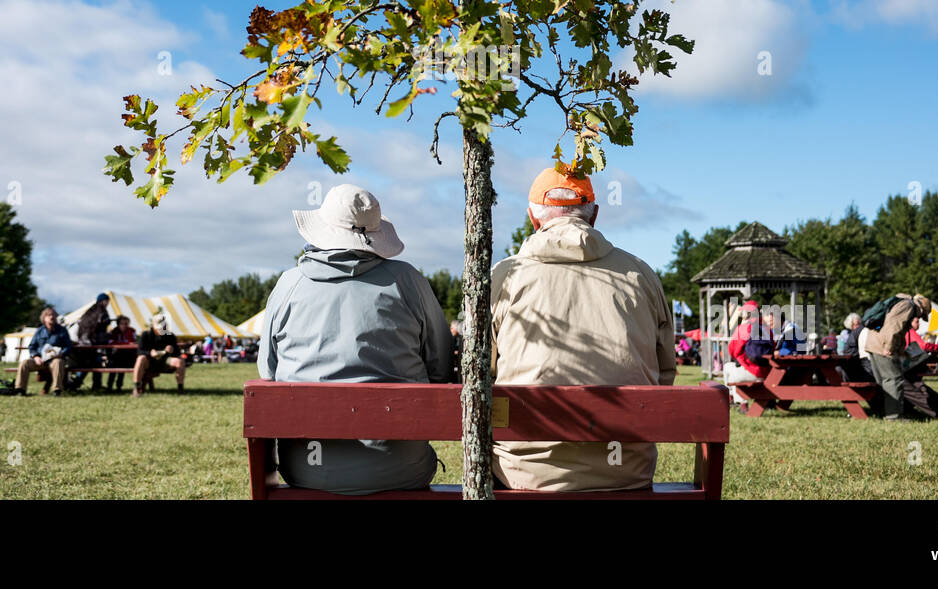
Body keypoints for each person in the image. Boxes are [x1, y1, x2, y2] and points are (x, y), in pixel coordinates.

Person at [259, 183, 453, 495]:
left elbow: (267, 373)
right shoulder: (407, 281)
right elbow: (441, 368)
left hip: (308, 468)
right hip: (397, 467)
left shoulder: (288, 286)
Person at [490, 168, 675, 492]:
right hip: (625, 471)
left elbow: (480, 373)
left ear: (533, 217)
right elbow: (665, 372)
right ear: (595, 216)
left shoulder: (505, 275)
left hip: (523, 473)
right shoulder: (640, 274)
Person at [867, 293, 932, 420]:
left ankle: (884, 413)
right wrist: (889, 347)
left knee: (883, 382)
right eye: (922, 315)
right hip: (883, 345)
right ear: (922, 309)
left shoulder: (899, 302)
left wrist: (901, 349)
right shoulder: (908, 306)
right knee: (894, 380)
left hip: (874, 342)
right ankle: (893, 416)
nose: (919, 317)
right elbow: (894, 325)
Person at [12, 307, 72, 396]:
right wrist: (35, 357)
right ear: (44, 318)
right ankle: (20, 389)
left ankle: (57, 390)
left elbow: (68, 346)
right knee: (24, 363)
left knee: (58, 362)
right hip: (40, 361)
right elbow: (32, 346)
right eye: (49, 315)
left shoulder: (62, 330)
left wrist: (61, 354)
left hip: (54, 360)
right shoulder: (39, 331)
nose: (52, 317)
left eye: (53, 315)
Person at [724, 301, 773, 401]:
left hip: (751, 372)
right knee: (734, 369)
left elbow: (733, 350)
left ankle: (739, 401)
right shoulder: (767, 328)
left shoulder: (743, 328)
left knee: (728, 367)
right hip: (768, 372)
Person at [133, 312, 185, 395]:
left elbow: (177, 353)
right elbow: (140, 351)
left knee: (180, 360)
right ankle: (136, 387)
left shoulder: (170, 336)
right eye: (159, 328)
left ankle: (180, 388)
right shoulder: (146, 335)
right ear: (153, 326)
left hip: (165, 361)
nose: (161, 330)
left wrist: (172, 350)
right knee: (140, 359)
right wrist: (150, 353)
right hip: (149, 361)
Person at [73, 293, 112, 392]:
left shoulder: (89, 312)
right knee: (94, 362)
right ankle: (83, 384)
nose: (107, 303)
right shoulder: (101, 311)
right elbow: (101, 326)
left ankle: (78, 384)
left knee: (90, 363)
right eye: (106, 301)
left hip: (84, 342)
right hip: (91, 343)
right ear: (102, 301)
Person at [106, 315, 137, 391]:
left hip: (127, 355)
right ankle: (109, 386)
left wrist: (123, 344)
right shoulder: (114, 331)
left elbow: (133, 343)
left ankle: (119, 386)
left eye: (126, 323)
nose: (124, 325)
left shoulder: (132, 331)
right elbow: (111, 343)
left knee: (122, 368)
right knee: (113, 368)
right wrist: (125, 344)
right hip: (116, 355)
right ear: (118, 324)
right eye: (122, 323)